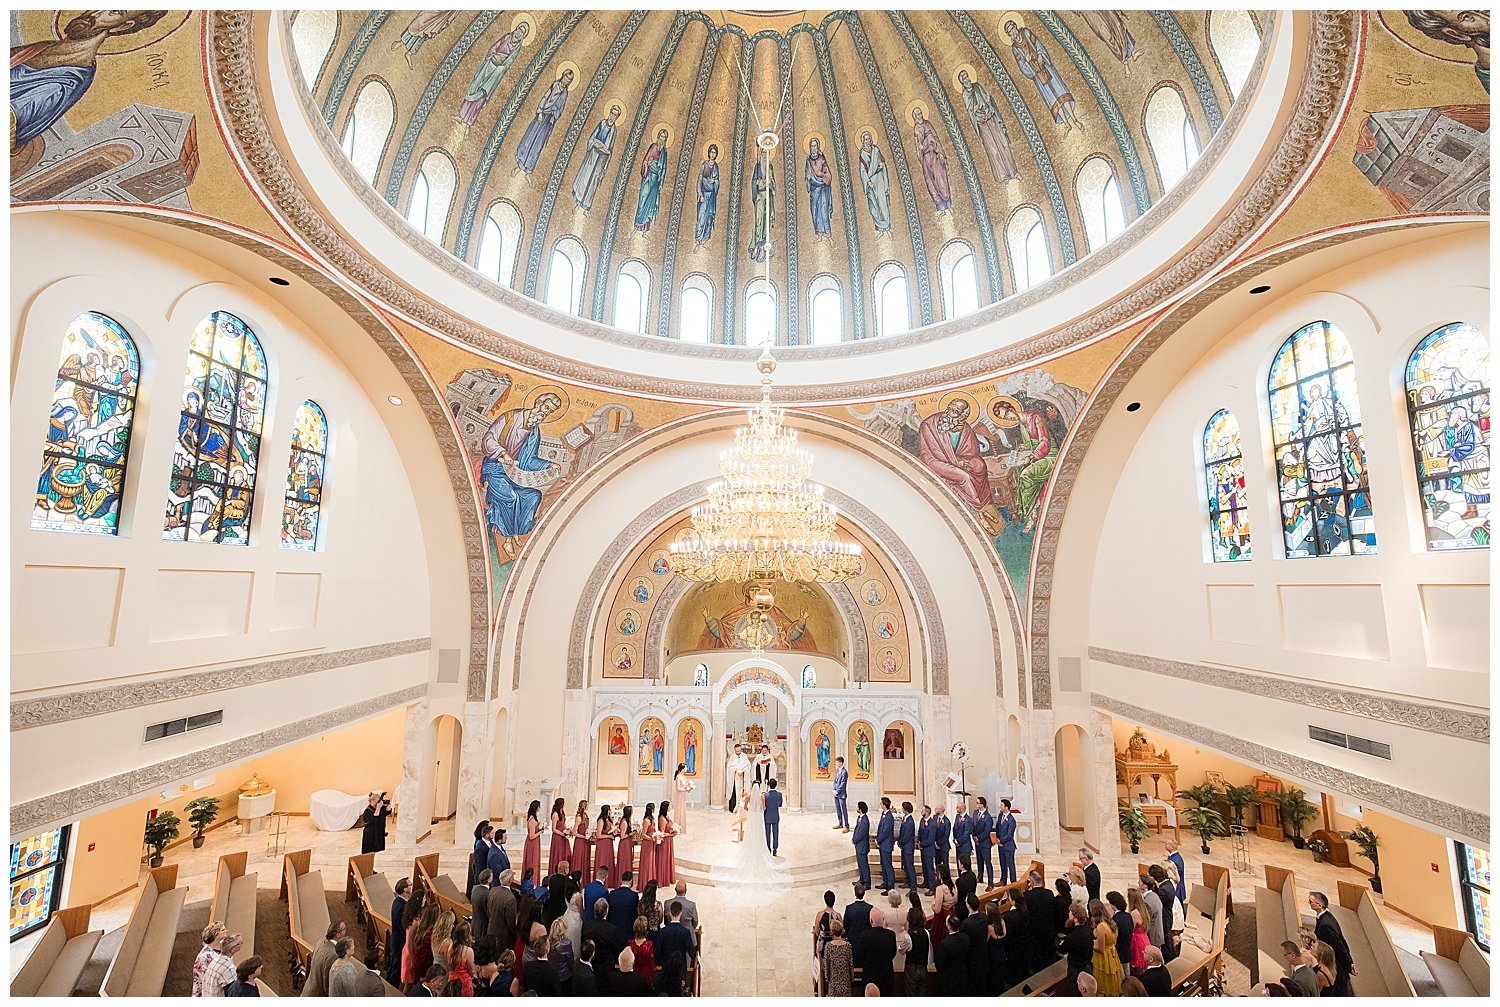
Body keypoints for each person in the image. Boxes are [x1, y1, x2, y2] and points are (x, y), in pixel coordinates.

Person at [571, 102, 619, 209]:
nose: (612, 117)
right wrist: (595, 143)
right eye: (612, 113)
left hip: (601, 161)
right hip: (592, 156)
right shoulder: (602, 124)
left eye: (615, 115)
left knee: (593, 181)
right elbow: (592, 137)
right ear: (609, 113)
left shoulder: (614, 131)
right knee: (585, 176)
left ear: (617, 118)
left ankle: (585, 204)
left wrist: (605, 165)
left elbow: (609, 150)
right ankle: (578, 199)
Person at [1310, 891, 1356, 995]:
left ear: (1319, 905)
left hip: (1334, 962)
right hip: (1332, 959)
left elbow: (1339, 945)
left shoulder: (1326, 924)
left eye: (1311, 901)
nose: (1309, 903)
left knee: (1339, 990)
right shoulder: (1326, 917)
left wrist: (1349, 964)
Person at [853, 906, 897, 996]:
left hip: (870, 976)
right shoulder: (890, 935)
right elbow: (893, 953)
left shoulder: (864, 936)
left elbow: (859, 955)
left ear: (871, 921)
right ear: (883, 919)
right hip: (886, 976)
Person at [1024, 871, 1057, 973]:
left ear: (1032, 882)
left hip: (1035, 932)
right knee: (1048, 956)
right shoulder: (1049, 893)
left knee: (1037, 957)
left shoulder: (1027, 896)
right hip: (1048, 930)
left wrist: (1028, 890)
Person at [1059, 901, 1094, 995]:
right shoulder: (1088, 931)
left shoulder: (1073, 936)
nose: (1068, 914)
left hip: (1075, 967)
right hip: (1087, 964)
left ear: (1075, 918)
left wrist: (1063, 943)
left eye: (1070, 913)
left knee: (1074, 991)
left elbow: (1062, 950)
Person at [303, 920, 344, 997]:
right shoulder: (334, 955)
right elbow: (328, 983)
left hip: (308, 990)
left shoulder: (320, 942)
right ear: (338, 935)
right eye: (344, 929)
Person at [582, 899, 620, 981]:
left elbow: (583, 943)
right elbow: (615, 948)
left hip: (591, 966)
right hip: (606, 968)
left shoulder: (587, 926)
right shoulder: (612, 929)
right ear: (607, 912)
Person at [485, 870, 517, 959]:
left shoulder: (493, 890)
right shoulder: (510, 898)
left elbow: (488, 910)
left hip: (490, 929)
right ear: (510, 880)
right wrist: (515, 934)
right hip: (503, 936)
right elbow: (511, 921)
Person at [656, 900, 696, 970]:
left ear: (670, 913)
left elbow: (658, 952)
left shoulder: (662, 932)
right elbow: (692, 953)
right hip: (681, 969)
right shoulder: (685, 932)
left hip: (666, 968)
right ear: (681, 913)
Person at [194, 922, 229, 996]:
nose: (226, 930)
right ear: (215, 935)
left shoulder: (224, 948)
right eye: (223, 930)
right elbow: (206, 979)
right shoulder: (204, 957)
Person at [1148, 866, 1176, 961]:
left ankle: (1170, 960)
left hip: (1164, 917)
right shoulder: (1168, 883)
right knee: (1167, 938)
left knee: (1165, 940)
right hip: (1168, 915)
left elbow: (1157, 901)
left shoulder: (1163, 890)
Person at [822, 917, 854, 996]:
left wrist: (827, 977)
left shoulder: (828, 946)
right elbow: (850, 963)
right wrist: (851, 978)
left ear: (832, 932)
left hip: (833, 982)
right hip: (845, 982)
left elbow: (827, 964)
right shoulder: (848, 945)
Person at [607, 871, 640, 947]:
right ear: (631, 881)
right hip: (627, 931)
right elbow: (635, 914)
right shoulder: (634, 895)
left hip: (613, 930)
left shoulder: (612, 894)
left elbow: (609, 912)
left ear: (621, 880)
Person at [1107, 892, 1134, 979]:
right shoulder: (1128, 916)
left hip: (1118, 952)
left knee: (1121, 978)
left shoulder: (1115, 920)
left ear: (1113, 905)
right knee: (1127, 974)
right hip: (1127, 950)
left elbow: (1114, 938)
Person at [930, 862, 957, 949]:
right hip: (952, 912)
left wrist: (932, 906)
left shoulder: (940, 888)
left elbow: (937, 910)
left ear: (940, 875)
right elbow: (955, 900)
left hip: (942, 917)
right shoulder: (953, 885)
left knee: (938, 939)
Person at [906, 904, 931, 995]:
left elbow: (902, 950)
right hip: (923, 967)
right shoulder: (926, 933)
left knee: (911, 994)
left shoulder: (908, 936)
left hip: (911, 969)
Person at [1125, 888, 1151, 975]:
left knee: (1139, 969)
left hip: (1137, 942)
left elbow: (1130, 929)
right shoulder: (1144, 910)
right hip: (1144, 939)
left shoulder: (1134, 913)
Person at [1138, 875, 1163, 961]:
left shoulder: (1147, 902)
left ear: (1145, 885)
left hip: (1152, 936)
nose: (1138, 883)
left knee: (1154, 960)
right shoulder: (1154, 895)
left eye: (1140, 882)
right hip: (1158, 934)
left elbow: (1145, 920)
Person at [668, 881, 699, 950]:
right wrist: (690, 928)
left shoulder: (667, 903)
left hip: (671, 937)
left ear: (675, 890)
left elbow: (666, 921)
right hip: (688, 938)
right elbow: (695, 921)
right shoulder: (691, 905)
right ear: (686, 890)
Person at [973, 797, 996, 890]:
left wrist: (978, 838)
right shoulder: (975, 813)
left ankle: (991, 883)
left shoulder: (988, 817)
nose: (976, 804)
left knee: (987, 862)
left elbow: (987, 832)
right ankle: (980, 877)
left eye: (977, 802)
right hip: (977, 841)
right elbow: (973, 825)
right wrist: (974, 836)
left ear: (982, 804)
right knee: (979, 861)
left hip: (984, 842)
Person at [546, 918, 573, 991]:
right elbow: (570, 962)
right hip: (564, 977)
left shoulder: (547, 942)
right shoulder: (566, 943)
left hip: (550, 976)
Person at [996, 798, 1018, 886]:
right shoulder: (1000, 815)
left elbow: (1009, 835)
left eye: (1001, 805)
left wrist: (1000, 840)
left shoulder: (1011, 820)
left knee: (1010, 864)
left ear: (1006, 807)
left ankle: (1013, 882)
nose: (1000, 807)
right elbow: (997, 827)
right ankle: (1003, 880)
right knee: (1002, 863)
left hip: (1008, 846)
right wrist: (997, 838)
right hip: (1000, 845)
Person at [813, 890, 841, 957]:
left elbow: (816, 931)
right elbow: (841, 931)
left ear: (825, 901)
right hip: (835, 945)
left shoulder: (820, 915)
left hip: (824, 945)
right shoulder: (838, 916)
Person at [876, 798, 896, 893]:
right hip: (882, 844)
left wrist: (878, 840)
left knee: (888, 865)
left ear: (884, 805)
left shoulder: (889, 817)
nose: (880, 805)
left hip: (886, 845)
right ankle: (885, 882)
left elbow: (885, 832)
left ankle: (890, 887)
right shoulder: (884, 815)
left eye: (881, 803)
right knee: (883, 865)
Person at [898, 802, 918, 891]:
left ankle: (913, 886)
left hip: (908, 847)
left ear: (905, 809)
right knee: (905, 865)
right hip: (904, 847)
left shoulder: (910, 821)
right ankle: (908, 881)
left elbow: (907, 835)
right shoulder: (905, 819)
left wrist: (900, 842)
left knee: (909, 866)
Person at [852, 801, 872, 888]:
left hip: (862, 846)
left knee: (864, 864)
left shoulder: (865, 821)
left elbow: (861, 834)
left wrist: (855, 840)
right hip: (858, 845)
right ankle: (862, 879)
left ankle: (867, 882)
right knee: (860, 864)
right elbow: (856, 830)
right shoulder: (859, 818)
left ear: (860, 809)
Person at [469, 868, 493, 941]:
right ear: (488, 880)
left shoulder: (475, 888)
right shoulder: (487, 894)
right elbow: (488, 912)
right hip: (482, 926)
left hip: (475, 923)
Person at [918, 805, 937, 894]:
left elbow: (931, 839)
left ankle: (932, 887)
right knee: (924, 867)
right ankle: (926, 882)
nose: (921, 812)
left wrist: (921, 844)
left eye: (922, 811)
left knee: (930, 868)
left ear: (927, 812)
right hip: (923, 849)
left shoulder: (932, 823)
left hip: (928, 849)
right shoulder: (922, 820)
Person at [522, 801, 543, 883]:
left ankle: (535, 882)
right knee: (532, 862)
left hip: (535, 842)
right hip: (532, 844)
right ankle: (532, 882)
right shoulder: (532, 820)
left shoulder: (534, 818)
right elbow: (531, 836)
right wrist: (540, 832)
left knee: (535, 861)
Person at [952, 800, 974, 874]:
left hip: (965, 846)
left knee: (966, 865)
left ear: (962, 809)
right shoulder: (957, 816)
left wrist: (958, 841)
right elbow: (954, 828)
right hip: (958, 846)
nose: (956, 808)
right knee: (959, 865)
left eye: (957, 807)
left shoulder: (968, 820)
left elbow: (966, 834)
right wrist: (955, 840)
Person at [1164, 838, 1187, 906]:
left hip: (1177, 889)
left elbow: (1176, 874)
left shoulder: (1176, 859)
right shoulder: (1173, 857)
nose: (1165, 845)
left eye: (1166, 844)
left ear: (1171, 847)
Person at [617, 807, 636, 892]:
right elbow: (622, 836)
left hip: (628, 843)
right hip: (624, 843)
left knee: (628, 860)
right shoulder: (624, 822)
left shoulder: (628, 820)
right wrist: (630, 834)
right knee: (624, 861)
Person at [673, 764, 692, 836]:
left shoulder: (684, 777)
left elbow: (684, 786)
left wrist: (689, 787)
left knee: (682, 811)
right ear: (683, 768)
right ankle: (676, 828)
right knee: (678, 811)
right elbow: (678, 788)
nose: (687, 768)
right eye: (686, 767)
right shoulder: (678, 777)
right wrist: (685, 789)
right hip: (679, 795)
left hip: (683, 795)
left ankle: (682, 829)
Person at [832, 756, 850, 831]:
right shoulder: (836, 770)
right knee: (838, 809)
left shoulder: (844, 772)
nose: (836, 764)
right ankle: (840, 823)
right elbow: (835, 781)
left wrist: (837, 791)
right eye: (836, 762)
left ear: (841, 763)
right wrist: (833, 789)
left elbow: (843, 783)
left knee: (843, 810)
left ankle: (847, 826)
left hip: (841, 794)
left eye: (837, 762)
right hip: (836, 794)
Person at [934, 805, 952, 877]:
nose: (935, 809)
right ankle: (938, 878)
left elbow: (946, 835)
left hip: (943, 846)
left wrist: (938, 844)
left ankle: (947, 879)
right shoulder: (934, 818)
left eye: (937, 808)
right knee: (937, 863)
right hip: (935, 845)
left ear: (941, 810)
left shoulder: (947, 822)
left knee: (945, 864)